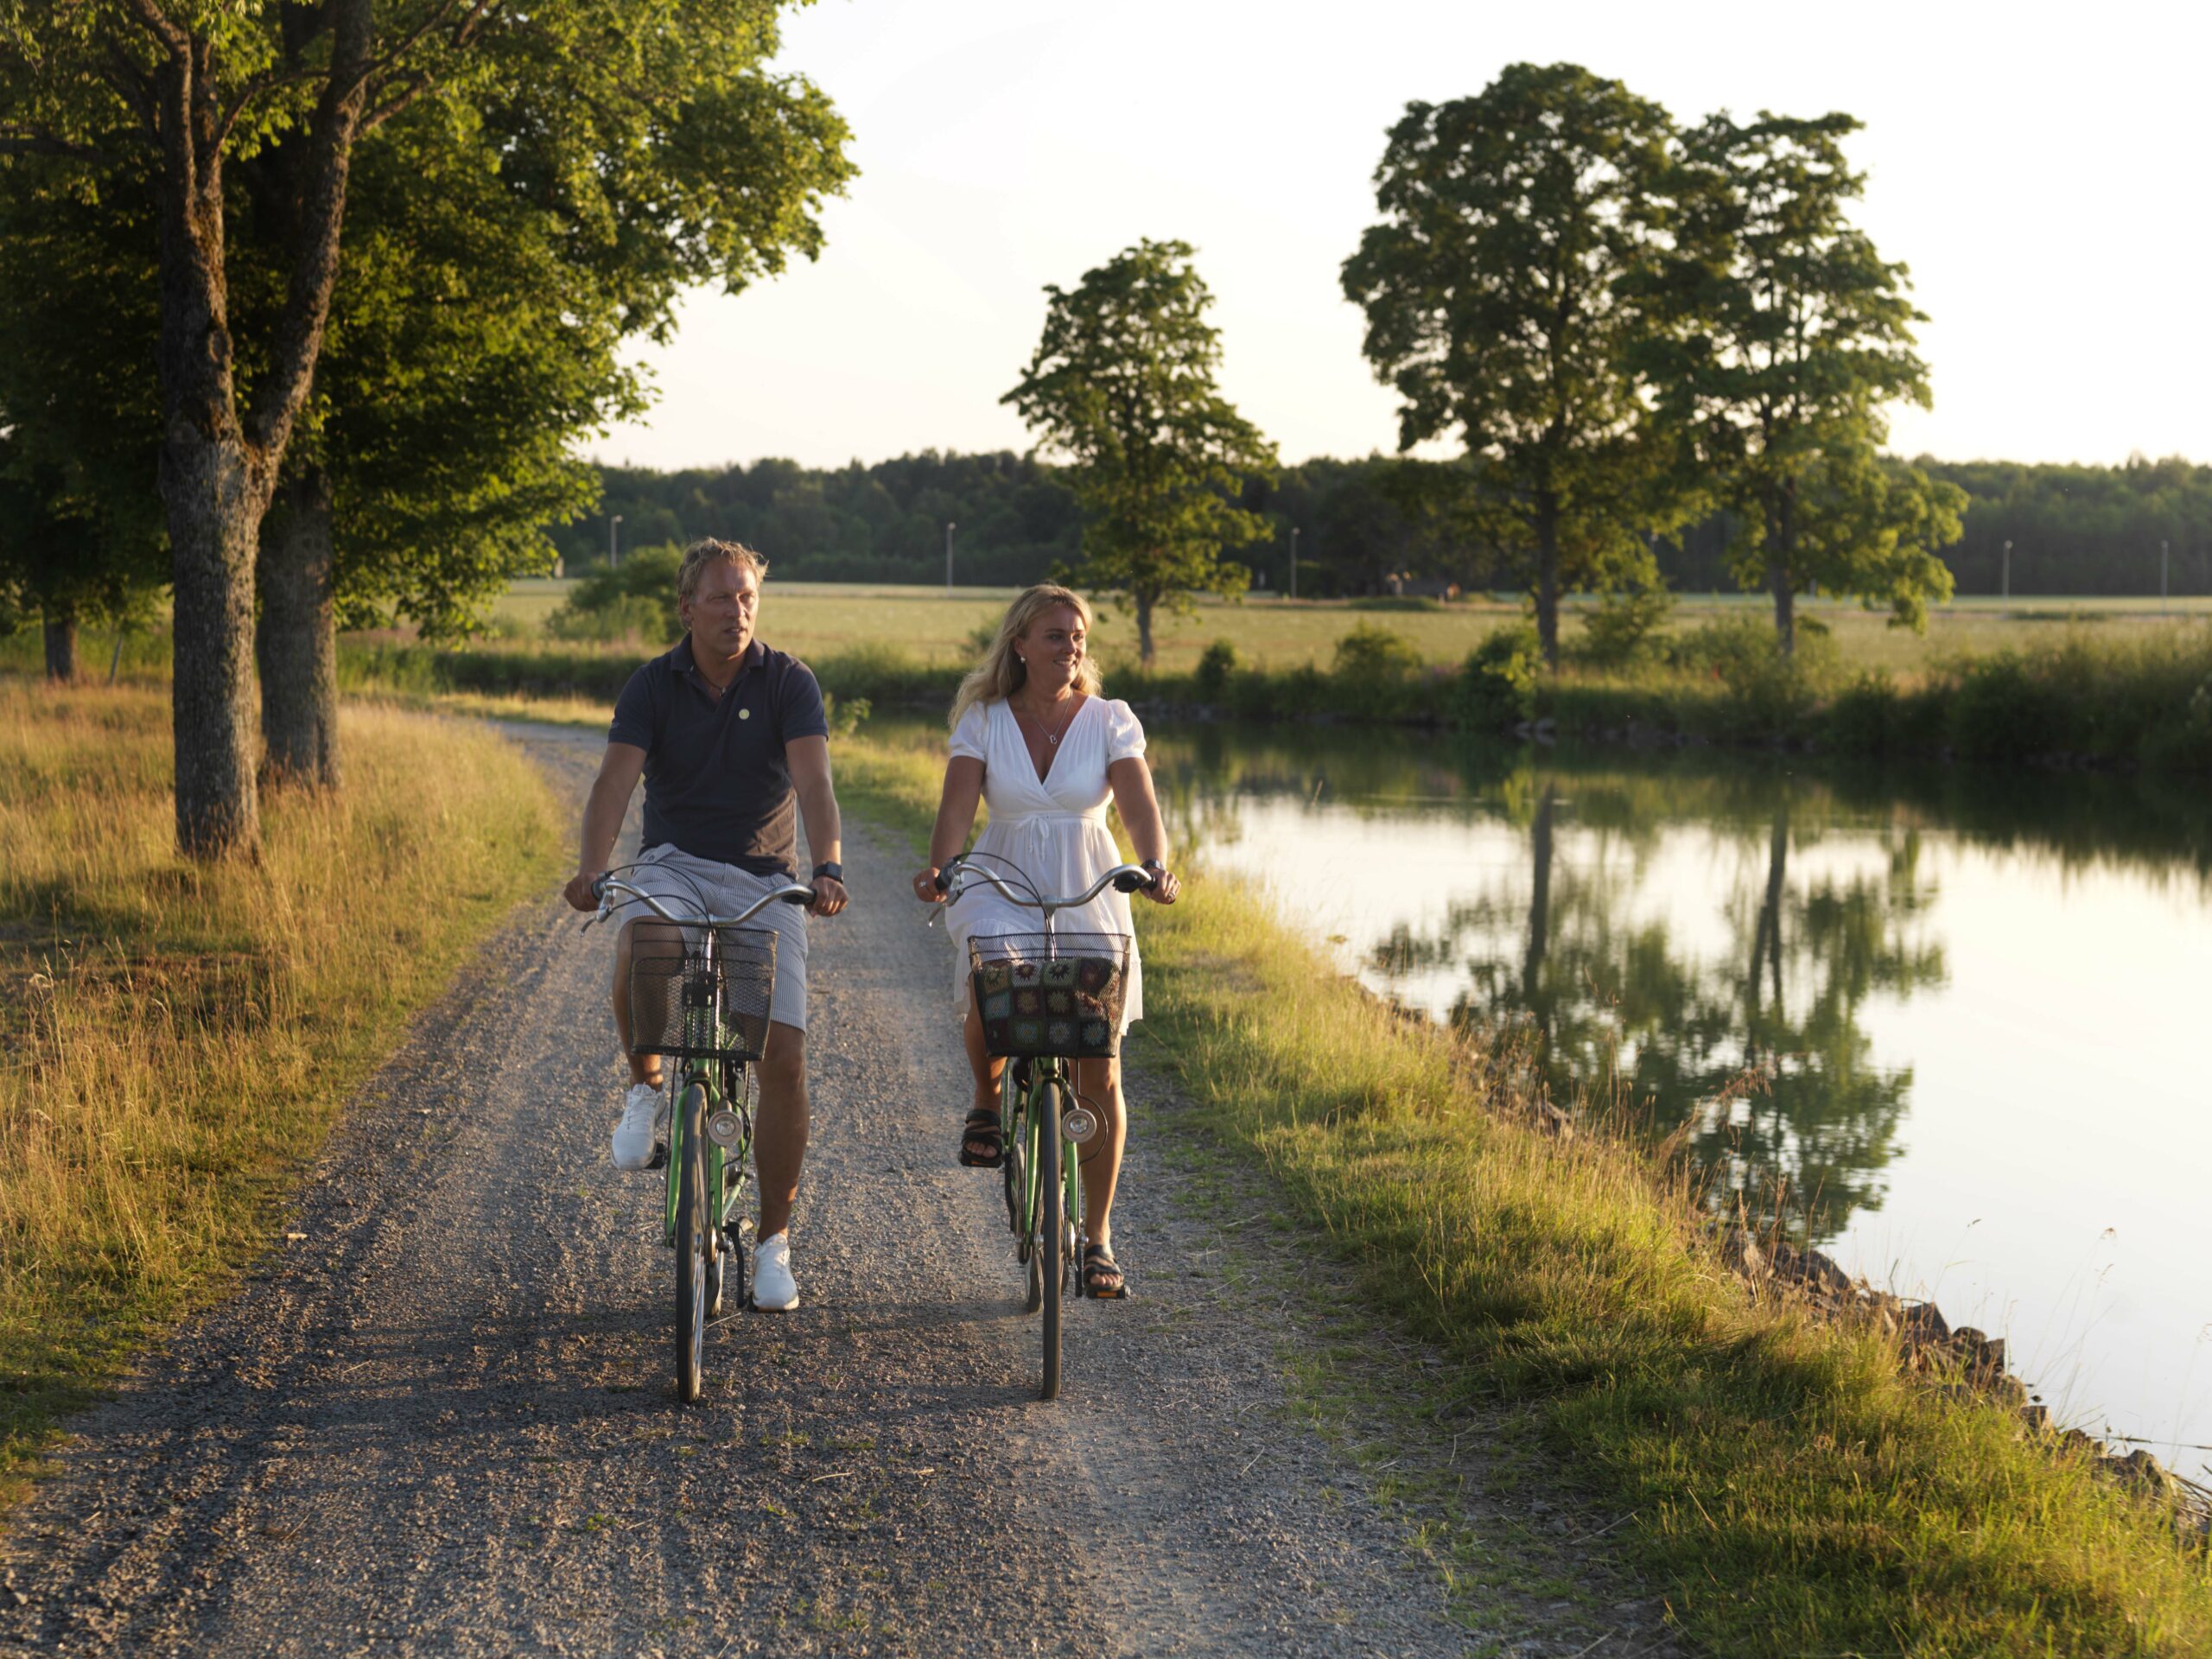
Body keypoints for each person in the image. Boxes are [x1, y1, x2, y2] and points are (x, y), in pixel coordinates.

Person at [563, 539, 849, 1313]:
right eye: (722, 598)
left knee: (781, 1055)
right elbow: (614, 782)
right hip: (674, 861)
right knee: (643, 937)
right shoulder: (654, 684)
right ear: (688, 607)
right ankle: (645, 1088)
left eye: (748, 596)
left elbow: (814, 780)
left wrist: (828, 865)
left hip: (763, 878)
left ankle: (773, 1245)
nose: (738, 611)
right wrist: (592, 869)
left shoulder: (788, 680)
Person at [911, 583, 1180, 1300]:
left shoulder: (1110, 721)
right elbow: (958, 806)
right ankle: (987, 1097)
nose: (1071, 648)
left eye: (1079, 636)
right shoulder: (985, 721)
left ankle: (1097, 1239)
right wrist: (940, 870)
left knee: (1102, 1062)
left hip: (1089, 882)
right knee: (991, 986)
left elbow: (1138, 805)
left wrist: (1155, 867)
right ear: (1021, 645)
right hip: (1000, 879)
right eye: (1056, 635)